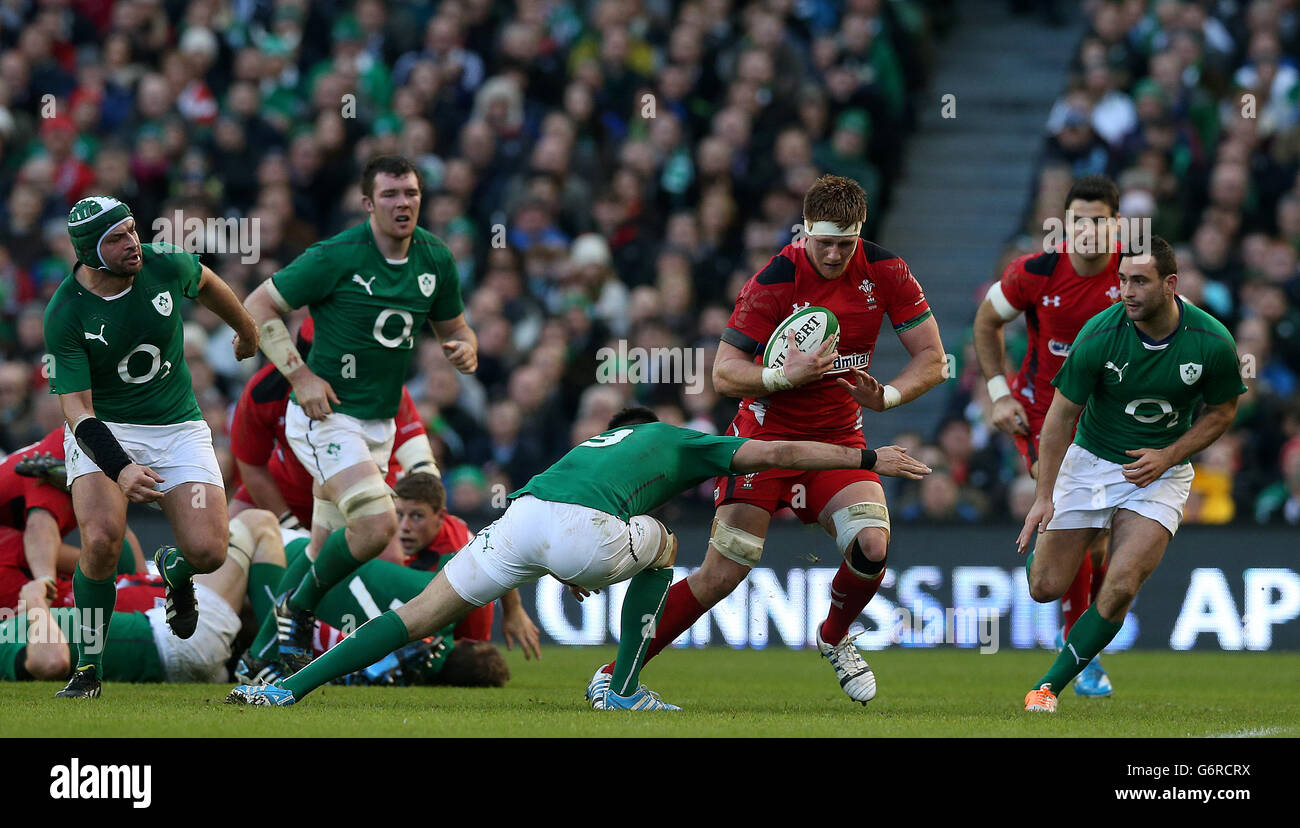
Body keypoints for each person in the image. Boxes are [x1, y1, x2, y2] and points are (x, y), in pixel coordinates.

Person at [225, 406, 931, 708]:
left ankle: (284, 688)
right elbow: (774, 453)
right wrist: (868, 457)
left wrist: (579, 562)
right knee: (670, 548)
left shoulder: (593, 444)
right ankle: (621, 688)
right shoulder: (680, 439)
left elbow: (570, 513)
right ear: (647, 428)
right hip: (579, 533)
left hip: (520, 518)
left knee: (415, 615)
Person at [587, 174, 947, 706]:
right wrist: (783, 376)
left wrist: (887, 398)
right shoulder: (774, 280)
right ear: (804, 231)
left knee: (873, 545)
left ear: (860, 233)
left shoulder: (887, 271)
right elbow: (725, 374)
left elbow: (933, 360)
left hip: (837, 439)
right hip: (764, 436)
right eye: (823, 241)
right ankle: (612, 673)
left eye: (845, 243)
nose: (833, 253)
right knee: (720, 575)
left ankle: (833, 636)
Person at [241, 155, 476, 673]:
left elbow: (454, 328)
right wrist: (300, 376)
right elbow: (257, 305)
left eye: (411, 193)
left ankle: (260, 660)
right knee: (375, 527)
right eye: (391, 195)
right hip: (327, 419)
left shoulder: (435, 259)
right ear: (368, 203)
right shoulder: (336, 255)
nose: (403, 204)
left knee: (320, 550)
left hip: (380, 424)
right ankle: (297, 609)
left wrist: (465, 348)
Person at [43, 196, 260, 698]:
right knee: (100, 542)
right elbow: (76, 410)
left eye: (132, 230)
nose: (132, 243)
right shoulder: (65, 313)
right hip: (105, 430)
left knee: (209, 552)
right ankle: (88, 668)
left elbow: (206, 283)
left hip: (178, 424)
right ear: (91, 252)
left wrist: (246, 330)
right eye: (116, 239)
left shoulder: (164, 262)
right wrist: (119, 468)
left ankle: (176, 571)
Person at [1018, 237, 1246, 712]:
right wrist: (1043, 496)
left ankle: (1048, 687)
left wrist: (1169, 455)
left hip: (1159, 474)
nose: (1126, 290)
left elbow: (1222, 410)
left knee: (1121, 586)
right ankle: (1062, 548)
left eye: (1138, 281)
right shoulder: (1099, 335)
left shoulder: (1212, 341)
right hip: (1091, 460)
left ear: (1171, 284)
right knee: (1044, 587)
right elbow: (1061, 416)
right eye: (1121, 280)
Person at [972, 174, 1122, 697]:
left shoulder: (1133, 275)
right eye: (1077, 220)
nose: (1086, 230)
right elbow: (986, 322)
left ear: (1115, 226)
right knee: (1075, 521)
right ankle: (1079, 653)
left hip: (1108, 423)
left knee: (1102, 546)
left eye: (1097, 221)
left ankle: (1084, 641)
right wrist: (998, 393)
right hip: (1042, 417)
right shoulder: (1034, 273)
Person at [228, 316, 438, 529]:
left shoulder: (372, 375)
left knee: (385, 544)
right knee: (227, 531)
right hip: (288, 494)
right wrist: (287, 523)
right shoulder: (264, 390)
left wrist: (425, 477)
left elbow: (410, 436)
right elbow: (251, 464)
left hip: (370, 486)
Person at [0, 431, 147, 612]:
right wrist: (45, 583)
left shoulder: (72, 450)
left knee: (107, 556)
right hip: (10, 558)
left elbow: (120, 533)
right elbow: (39, 528)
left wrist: (144, 581)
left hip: (16, 548)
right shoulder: (48, 474)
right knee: (94, 593)